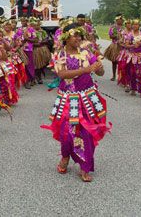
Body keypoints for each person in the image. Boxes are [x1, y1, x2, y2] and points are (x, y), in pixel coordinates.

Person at [41, 23, 111, 182]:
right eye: (75, 36)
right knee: (67, 132)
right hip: (69, 99)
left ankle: (84, 166)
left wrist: (98, 67)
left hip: (88, 97)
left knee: (87, 132)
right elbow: (63, 74)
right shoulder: (60, 54)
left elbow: (99, 72)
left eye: (80, 35)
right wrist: (86, 70)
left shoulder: (86, 52)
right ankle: (65, 156)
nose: (79, 38)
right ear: (66, 38)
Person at [104, 16, 123, 81]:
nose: (120, 21)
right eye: (119, 20)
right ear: (116, 20)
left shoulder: (124, 28)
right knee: (114, 61)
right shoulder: (113, 27)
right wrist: (116, 35)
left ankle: (121, 77)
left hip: (122, 46)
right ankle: (114, 75)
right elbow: (110, 36)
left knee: (122, 62)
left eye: (121, 20)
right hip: (115, 45)